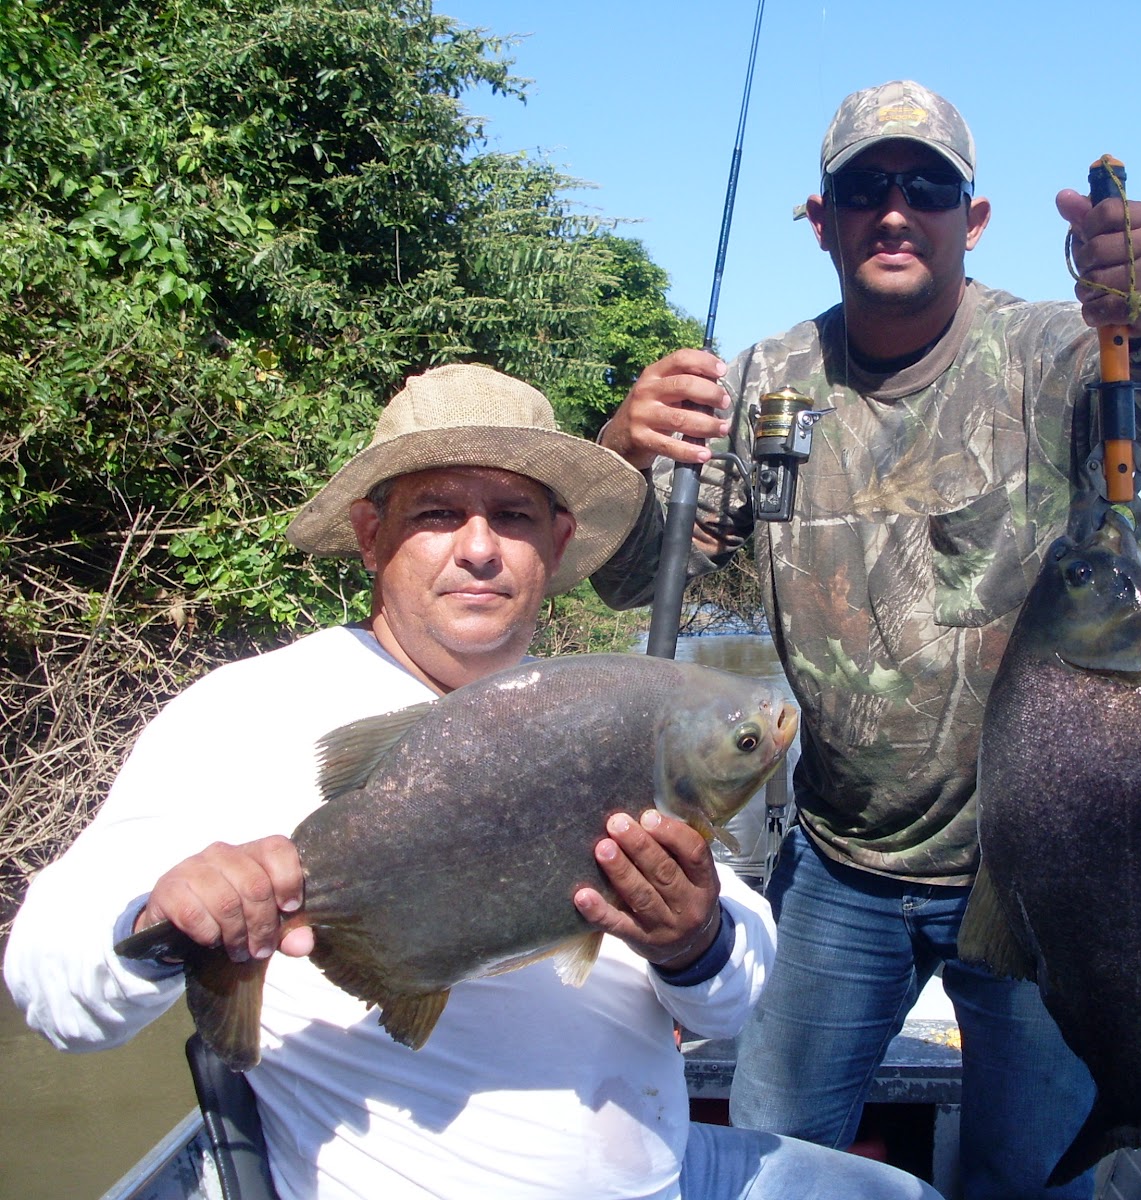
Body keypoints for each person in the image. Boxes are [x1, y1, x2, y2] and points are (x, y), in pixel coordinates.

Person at [4, 363, 941, 1200]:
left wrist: (693, 943)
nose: (480, 547)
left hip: (671, 1172)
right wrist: (162, 922)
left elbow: (732, 998)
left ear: (558, 543)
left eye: (514, 517)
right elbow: (50, 984)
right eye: (437, 513)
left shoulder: (612, 711)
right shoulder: (246, 711)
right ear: (370, 535)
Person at [591, 80, 1141, 1199]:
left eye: (927, 186)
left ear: (971, 220)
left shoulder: (1052, 352)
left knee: (1035, 1178)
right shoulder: (765, 382)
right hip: (838, 865)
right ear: (821, 218)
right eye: (865, 187)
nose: (895, 210)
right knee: (770, 1154)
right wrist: (620, 456)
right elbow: (636, 576)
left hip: (1036, 873)